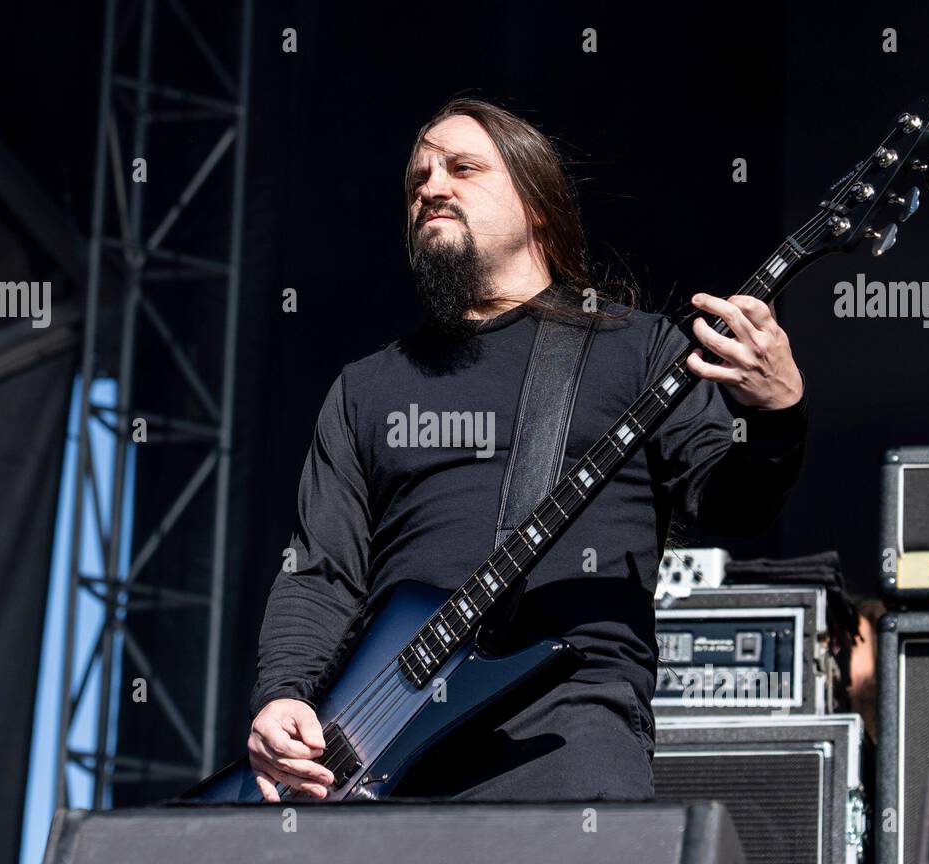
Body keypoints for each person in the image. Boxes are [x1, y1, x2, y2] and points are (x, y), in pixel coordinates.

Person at [245, 96, 808, 802]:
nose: (432, 188)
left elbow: (734, 504)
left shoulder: (636, 349)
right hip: (376, 753)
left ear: (537, 202)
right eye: (419, 178)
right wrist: (282, 695)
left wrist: (777, 414)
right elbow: (321, 572)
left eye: (462, 167)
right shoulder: (367, 386)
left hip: (563, 732)